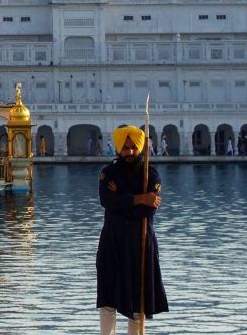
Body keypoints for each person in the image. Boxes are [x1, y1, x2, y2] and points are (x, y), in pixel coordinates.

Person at [97, 125, 167, 335]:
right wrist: (139, 198)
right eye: (125, 148)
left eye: (133, 148)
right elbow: (107, 201)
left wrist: (123, 199)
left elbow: (146, 213)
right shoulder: (108, 172)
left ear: (140, 148)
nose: (129, 153)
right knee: (108, 300)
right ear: (118, 149)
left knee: (138, 304)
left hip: (140, 243)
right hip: (113, 242)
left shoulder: (151, 176)